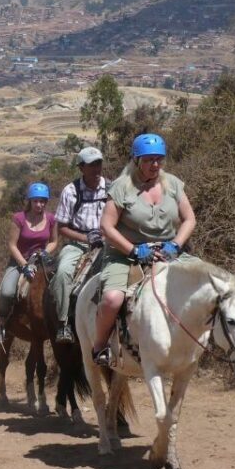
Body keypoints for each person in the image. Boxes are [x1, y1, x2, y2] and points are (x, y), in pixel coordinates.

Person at [91, 133, 196, 366]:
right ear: (136, 160)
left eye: (159, 159)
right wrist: (133, 251)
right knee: (111, 299)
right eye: (149, 160)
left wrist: (175, 244)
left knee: (208, 283)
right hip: (124, 254)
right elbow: (106, 227)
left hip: (167, 251)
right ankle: (99, 347)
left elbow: (189, 219)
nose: (155, 164)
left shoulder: (173, 184)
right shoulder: (121, 187)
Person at [50, 146, 110, 344]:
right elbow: (62, 228)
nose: (96, 169)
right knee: (63, 272)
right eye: (91, 165)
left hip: (107, 242)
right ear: (81, 168)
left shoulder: (111, 188)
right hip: (78, 244)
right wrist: (86, 239)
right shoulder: (70, 191)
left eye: (98, 163)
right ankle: (63, 323)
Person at [0, 182, 59, 342]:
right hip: (19, 262)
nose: (39, 204)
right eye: (36, 201)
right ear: (30, 201)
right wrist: (24, 265)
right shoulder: (19, 218)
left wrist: (45, 251)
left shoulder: (51, 218)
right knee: (6, 292)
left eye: (43, 201)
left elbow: (54, 241)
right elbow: (12, 244)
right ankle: (2, 325)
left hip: (42, 262)